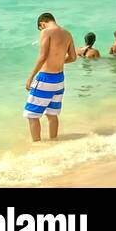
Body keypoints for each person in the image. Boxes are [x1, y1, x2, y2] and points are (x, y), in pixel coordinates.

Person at [25, 13, 76, 142]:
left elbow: (43, 56)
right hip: (59, 80)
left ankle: (37, 145)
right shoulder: (67, 34)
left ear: (42, 24)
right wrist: (58, 60)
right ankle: (54, 141)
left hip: (46, 78)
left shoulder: (46, 32)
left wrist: (30, 77)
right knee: (52, 114)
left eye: (40, 28)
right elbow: (73, 57)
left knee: (32, 115)